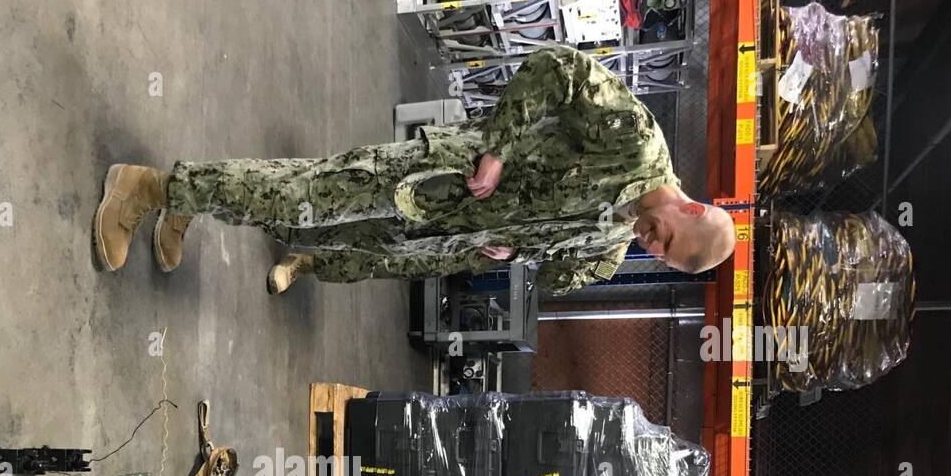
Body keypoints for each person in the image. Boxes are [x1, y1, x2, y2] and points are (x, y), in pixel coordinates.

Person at [92, 44, 736, 295]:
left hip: (445, 229)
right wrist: (500, 148)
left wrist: (516, 250)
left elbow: (559, 270)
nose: (649, 245)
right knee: (302, 201)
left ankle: (188, 198)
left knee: (313, 216)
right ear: (695, 207)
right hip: (435, 173)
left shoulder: (614, 238)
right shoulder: (636, 141)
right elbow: (560, 70)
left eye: (660, 257)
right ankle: (147, 187)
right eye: (665, 238)